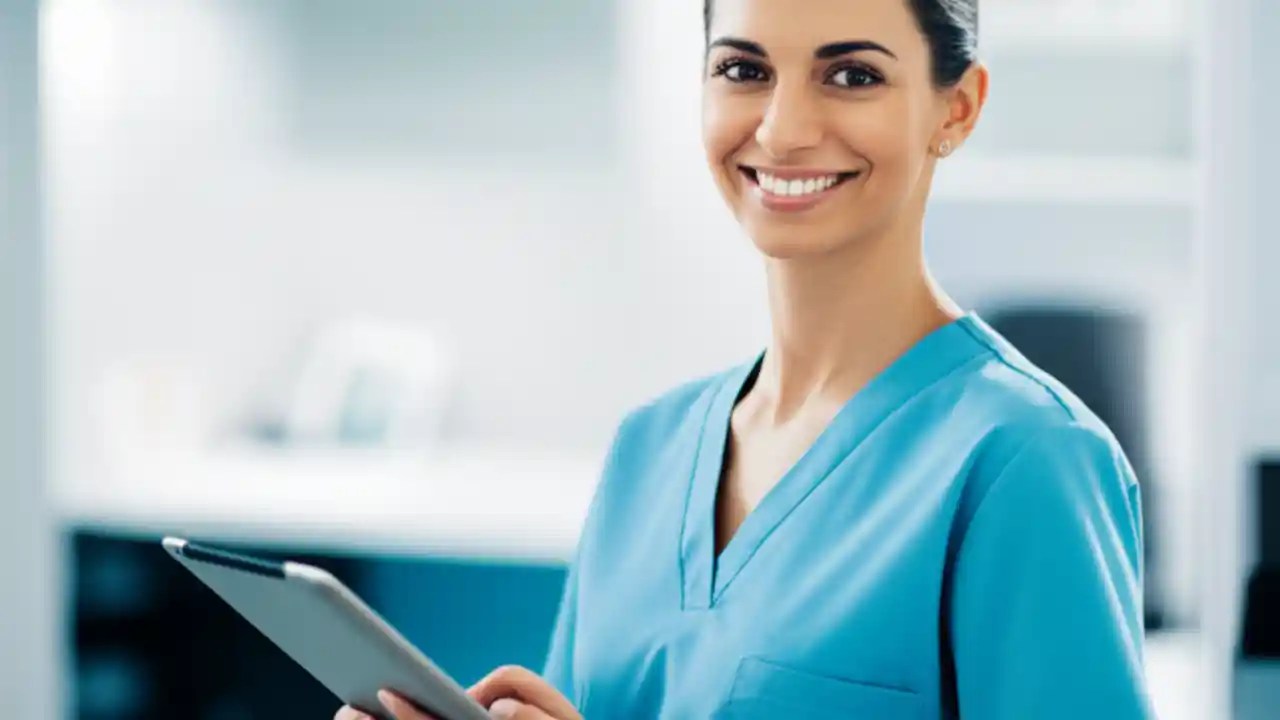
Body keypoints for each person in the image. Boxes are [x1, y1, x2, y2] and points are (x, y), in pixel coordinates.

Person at [340, 0, 1154, 717]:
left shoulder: (1027, 461)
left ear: (958, 108)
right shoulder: (649, 449)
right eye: (743, 69)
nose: (783, 129)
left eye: (852, 76)